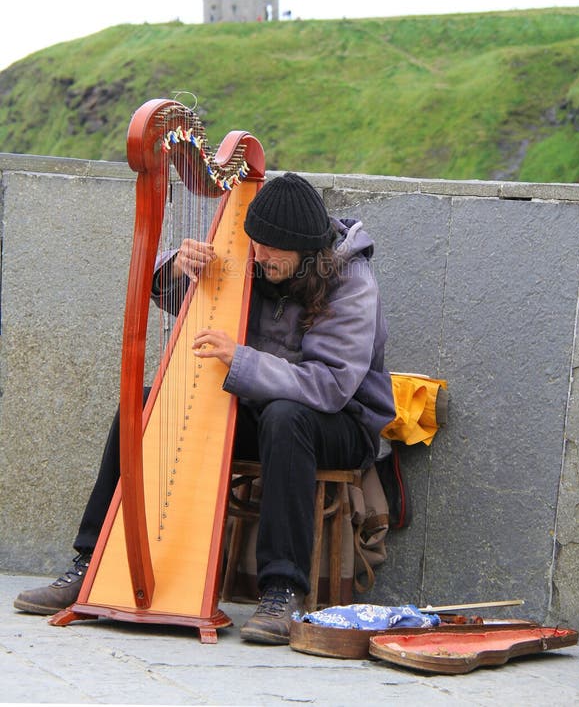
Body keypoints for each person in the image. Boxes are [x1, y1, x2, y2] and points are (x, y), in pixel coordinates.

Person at [14, 173, 396, 645]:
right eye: (255, 246)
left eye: (273, 251)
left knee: (286, 415)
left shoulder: (350, 281)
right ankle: (90, 561)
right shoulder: (255, 260)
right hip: (259, 403)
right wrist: (175, 269)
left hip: (340, 423)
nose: (259, 256)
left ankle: (282, 590)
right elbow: (196, 311)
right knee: (144, 403)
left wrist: (242, 359)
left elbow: (332, 385)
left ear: (308, 253)